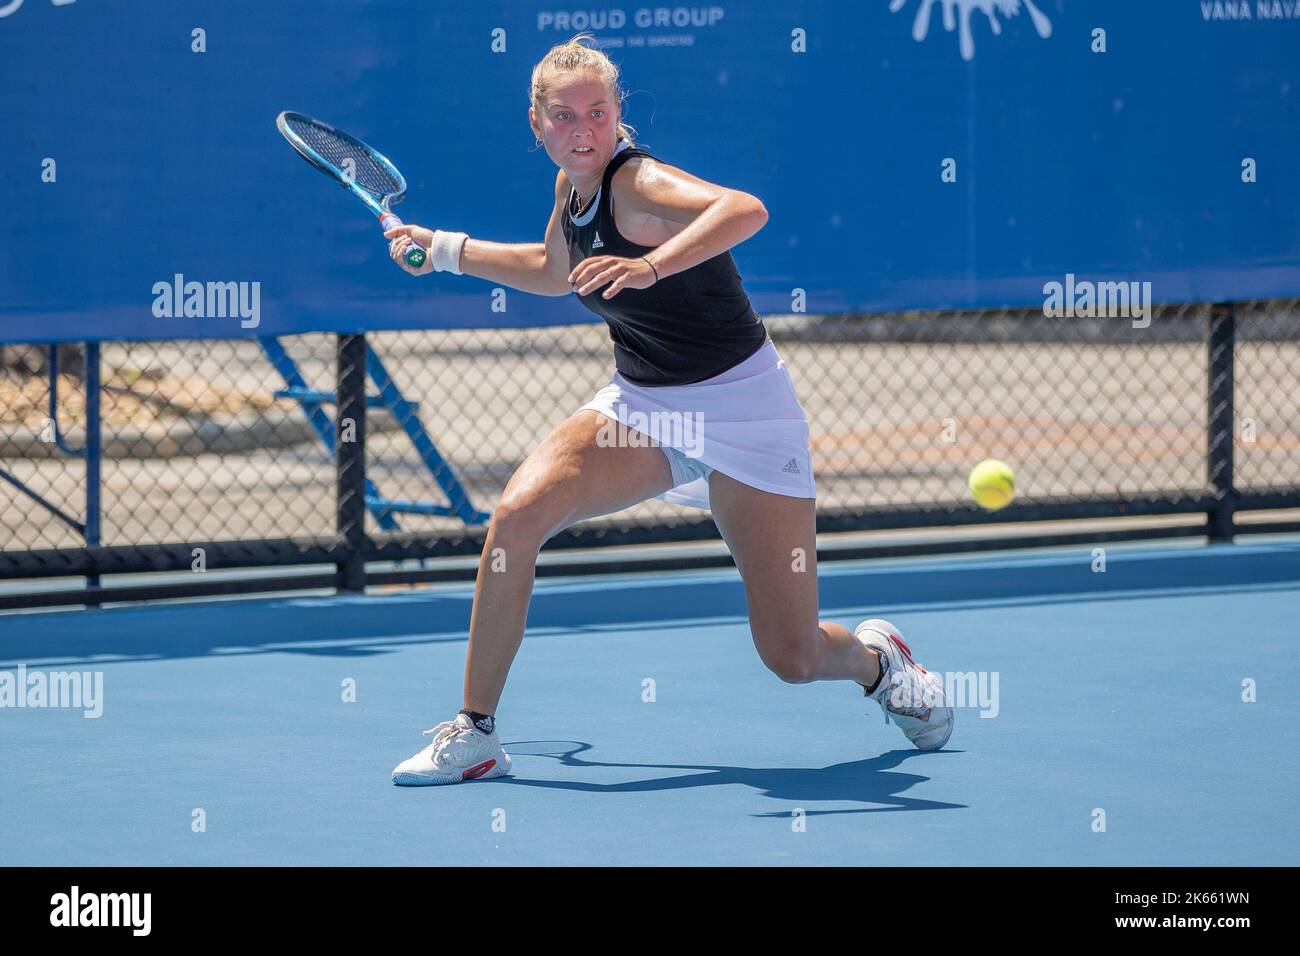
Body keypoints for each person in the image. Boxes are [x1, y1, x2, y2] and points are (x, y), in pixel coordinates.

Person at [384, 34, 953, 786]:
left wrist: (650, 263)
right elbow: (556, 269)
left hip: (745, 414)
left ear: (619, 113)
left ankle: (879, 664)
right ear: (537, 125)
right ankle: (476, 734)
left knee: (792, 657)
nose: (582, 130)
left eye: (597, 112)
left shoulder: (639, 181)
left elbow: (744, 209)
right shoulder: (572, 190)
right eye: (563, 117)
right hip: (645, 404)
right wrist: (446, 248)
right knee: (516, 519)